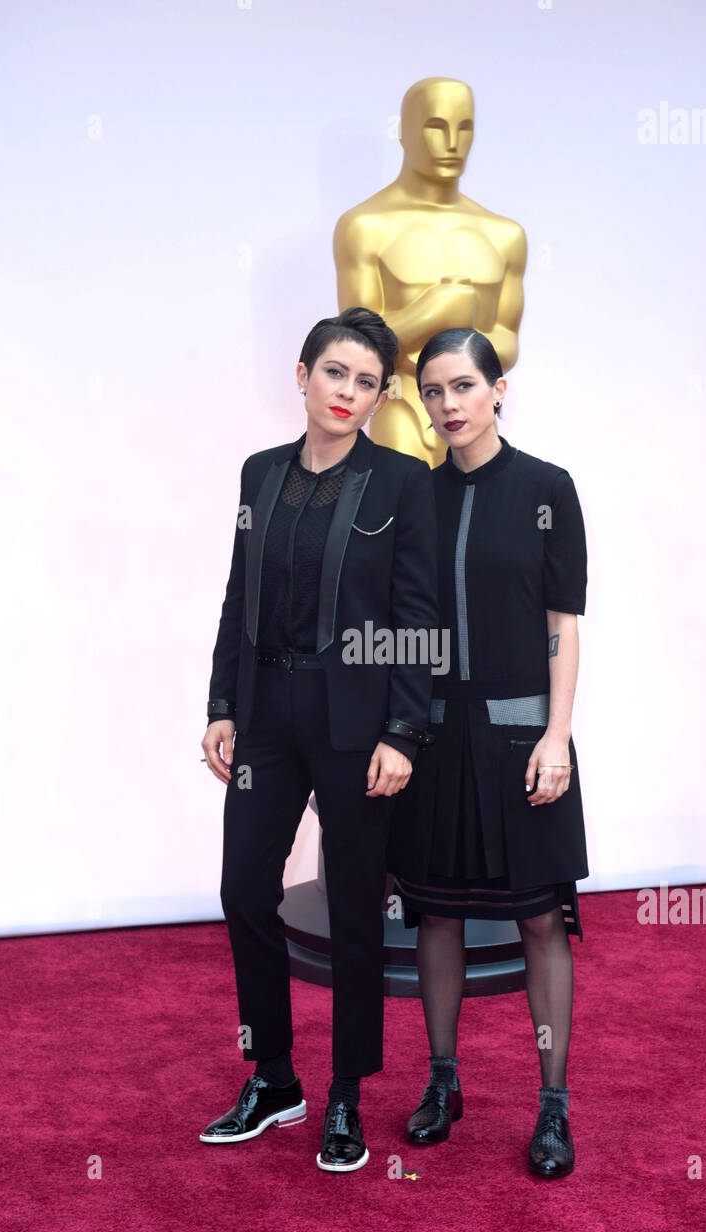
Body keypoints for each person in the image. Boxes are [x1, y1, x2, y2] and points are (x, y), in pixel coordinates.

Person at [200, 306, 438, 1172]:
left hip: (357, 726)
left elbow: (418, 617)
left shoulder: (401, 482)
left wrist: (404, 731)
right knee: (242, 891)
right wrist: (223, 701)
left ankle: (345, 1091)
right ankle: (273, 1078)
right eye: (334, 372)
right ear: (301, 376)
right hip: (266, 714)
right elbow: (238, 595)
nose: (348, 392)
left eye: (366, 381)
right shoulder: (258, 476)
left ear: (379, 397)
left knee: (349, 912)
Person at [387, 328, 589, 1178]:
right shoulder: (412, 498)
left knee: (540, 918)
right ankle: (443, 1083)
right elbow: (397, 629)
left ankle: (552, 1108)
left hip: (518, 736)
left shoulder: (547, 488)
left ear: (498, 388)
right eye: (433, 392)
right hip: (433, 737)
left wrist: (555, 736)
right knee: (436, 913)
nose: (448, 407)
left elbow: (561, 624)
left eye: (463, 386)